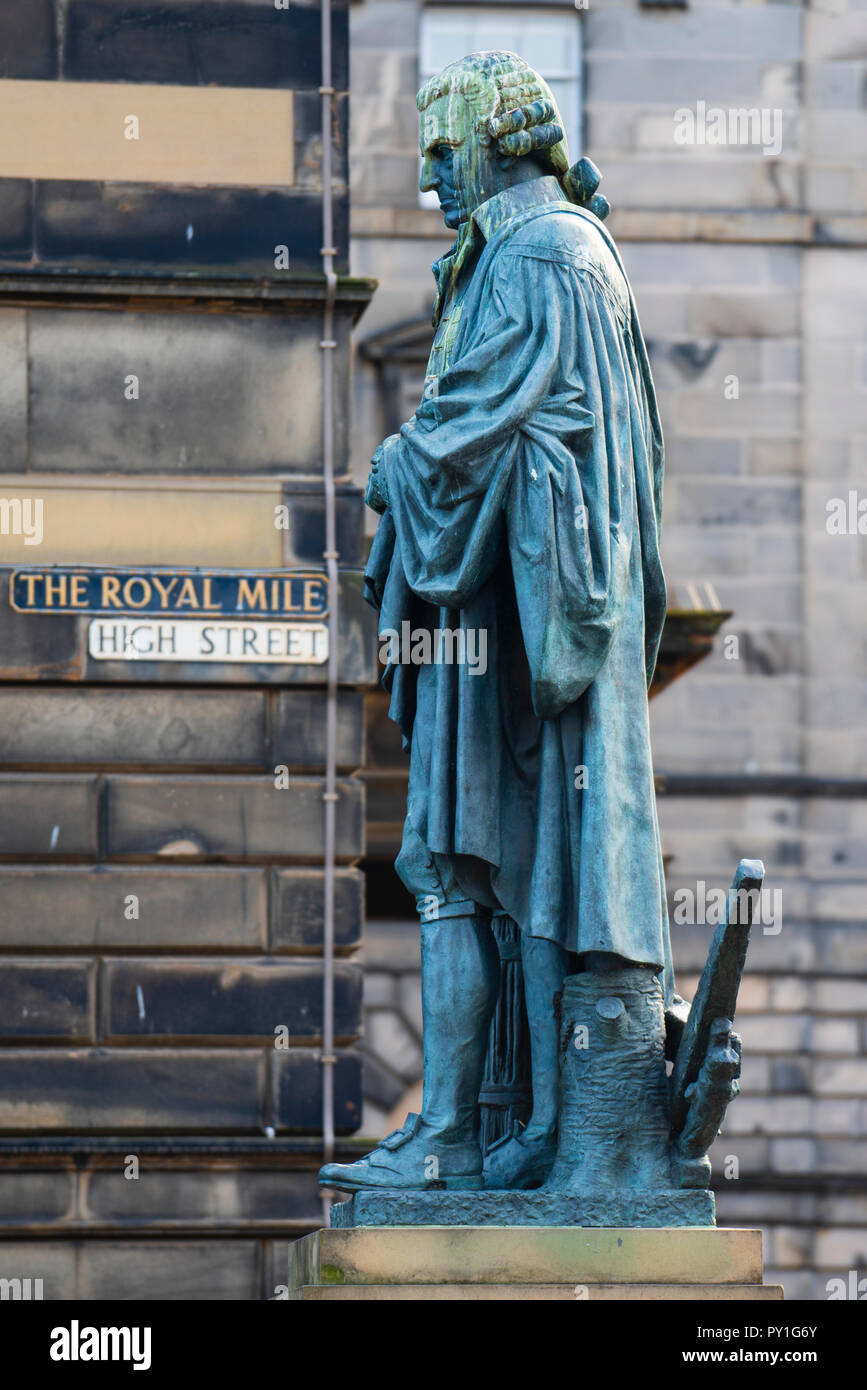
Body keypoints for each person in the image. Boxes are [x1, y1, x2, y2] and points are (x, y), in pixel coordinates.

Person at [319, 50, 684, 1195]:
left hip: (519, 635)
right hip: (501, 619)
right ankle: (489, 1124)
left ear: (502, 136)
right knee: (483, 867)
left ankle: (463, 1136)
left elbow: (478, 433)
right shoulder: (534, 251)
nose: (429, 170)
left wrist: (392, 463)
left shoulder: (545, 253)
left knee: (455, 867)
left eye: (444, 145)